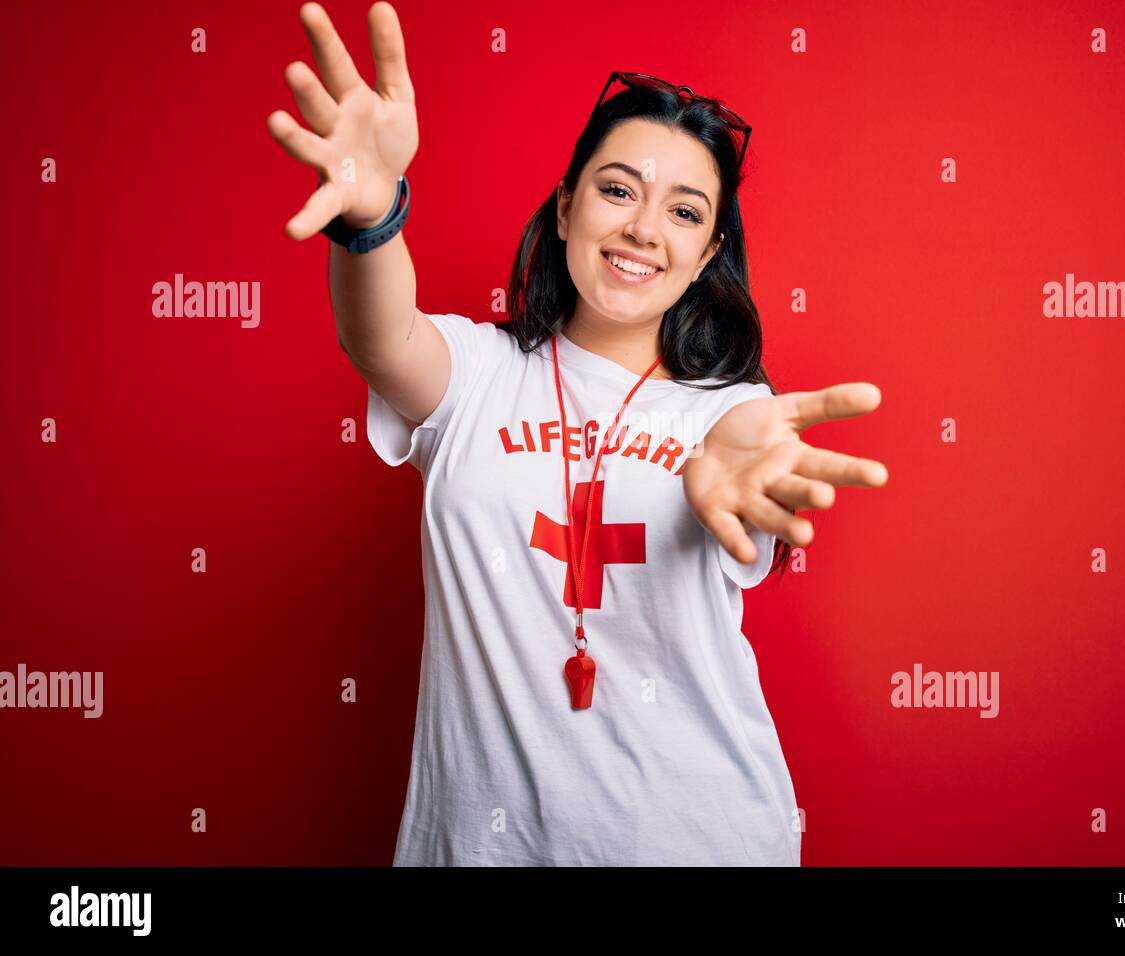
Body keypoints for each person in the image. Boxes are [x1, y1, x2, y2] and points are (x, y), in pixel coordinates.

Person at [267, 1, 888, 866]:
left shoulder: (724, 415)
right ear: (565, 209)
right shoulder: (478, 371)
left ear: (709, 253)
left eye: (683, 211)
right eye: (618, 189)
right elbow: (380, 338)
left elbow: (744, 444)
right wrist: (372, 216)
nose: (641, 227)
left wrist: (739, 466)